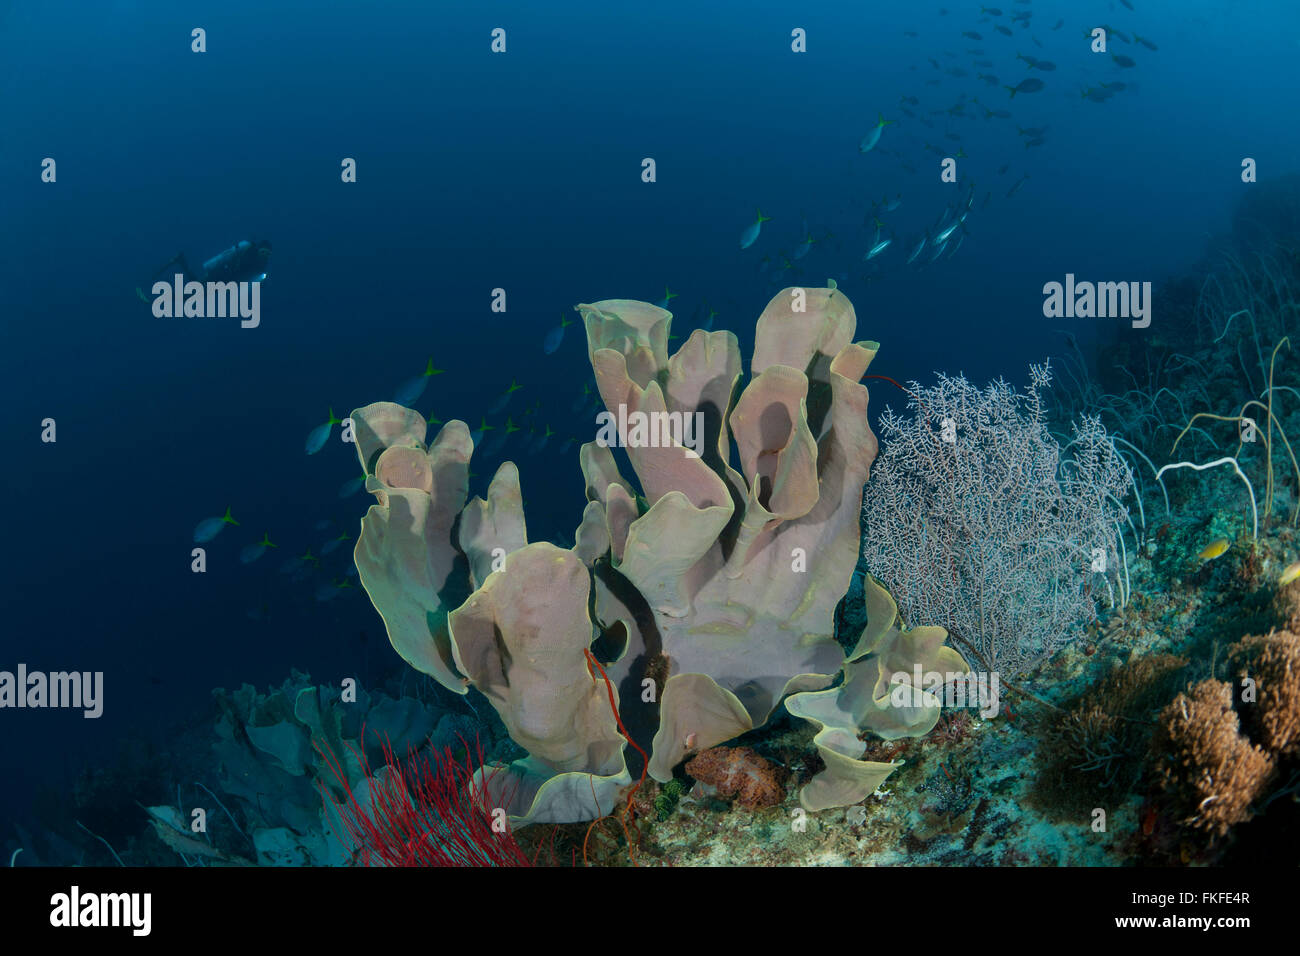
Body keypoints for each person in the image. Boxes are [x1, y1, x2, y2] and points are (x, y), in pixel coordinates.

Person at [151, 238, 272, 284]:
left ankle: (181, 262)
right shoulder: (250, 255)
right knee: (194, 291)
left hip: (225, 281)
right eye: (263, 252)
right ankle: (161, 298)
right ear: (258, 250)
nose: (264, 255)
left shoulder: (261, 265)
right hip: (220, 274)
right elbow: (240, 269)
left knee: (194, 288)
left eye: (267, 254)